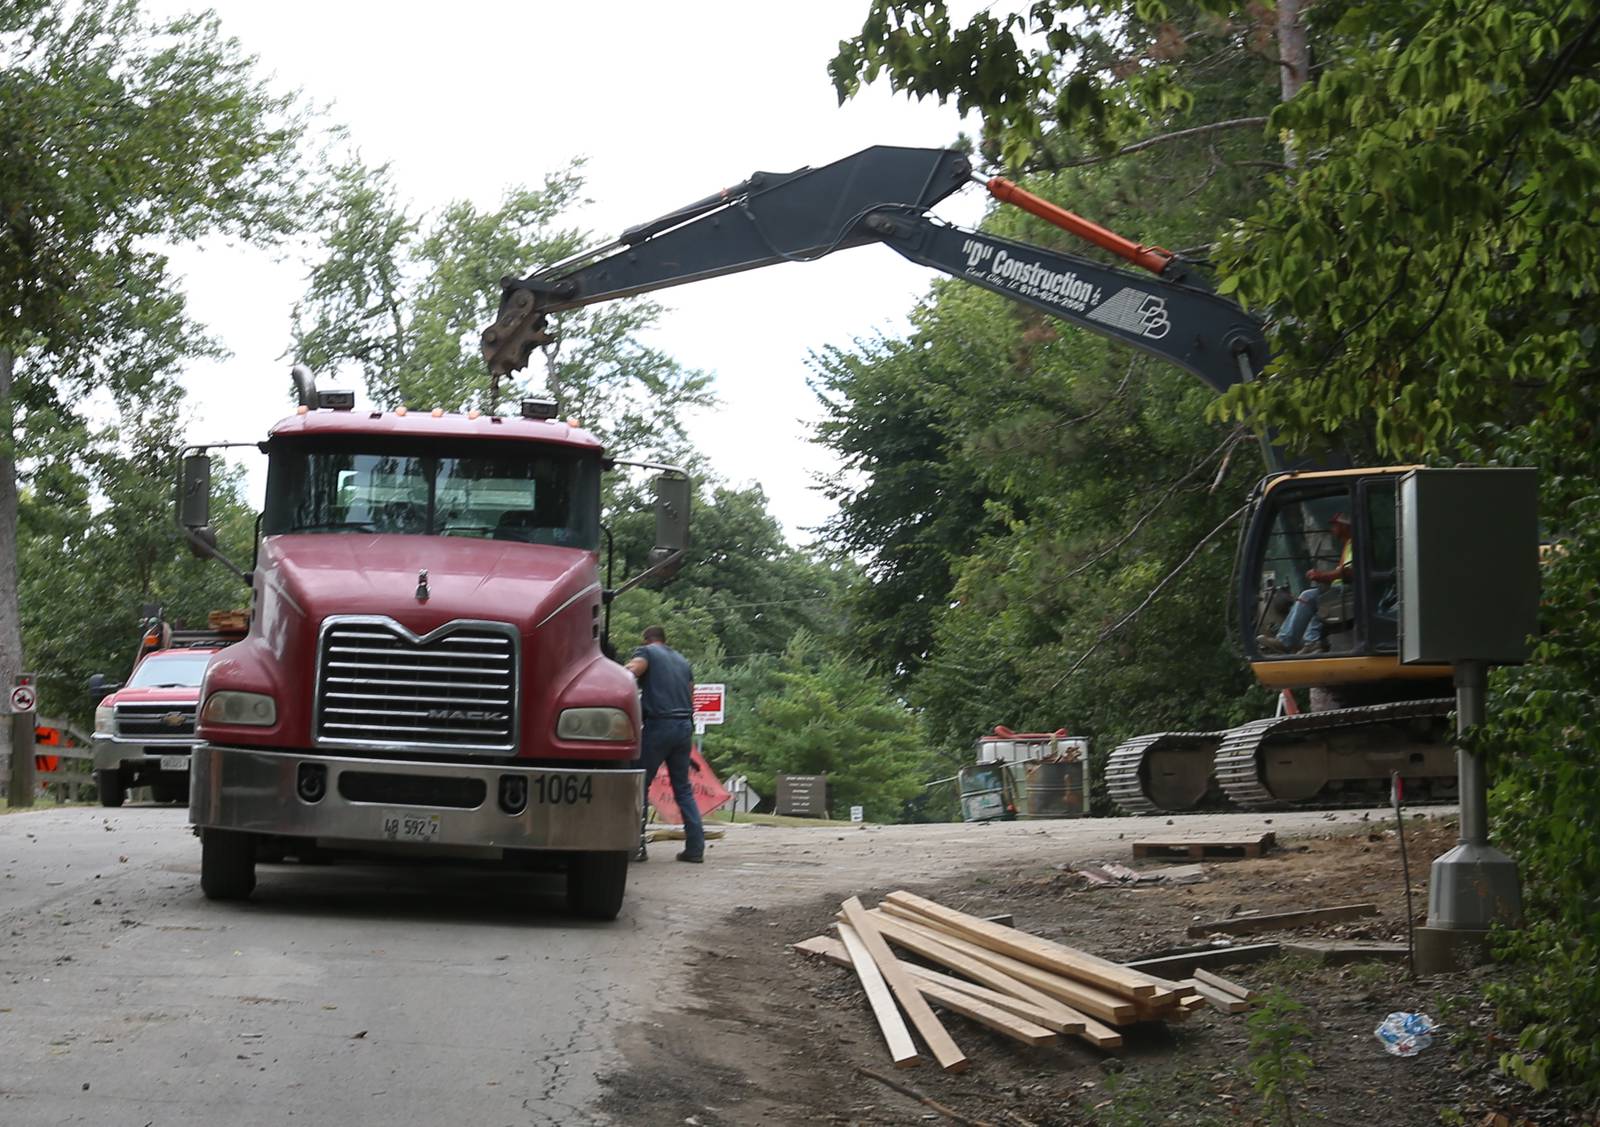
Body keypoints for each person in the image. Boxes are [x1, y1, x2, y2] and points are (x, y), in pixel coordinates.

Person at [625, 625, 704, 863]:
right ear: (664, 639)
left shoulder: (647, 652)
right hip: (683, 727)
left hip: (659, 726)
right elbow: (692, 694)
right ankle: (695, 848)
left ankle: (637, 847)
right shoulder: (682, 660)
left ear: (647, 639)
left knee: (638, 786)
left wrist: (618, 672)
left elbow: (634, 669)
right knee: (683, 789)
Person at [1259, 512, 1353, 654]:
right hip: (1341, 590)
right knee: (1320, 600)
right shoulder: (1348, 545)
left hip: (1348, 591)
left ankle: (1285, 641)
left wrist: (1321, 576)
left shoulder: (1354, 544)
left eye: (1335, 525)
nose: (1333, 529)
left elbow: (1349, 572)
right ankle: (1313, 642)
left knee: (1308, 596)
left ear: (1344, 526)